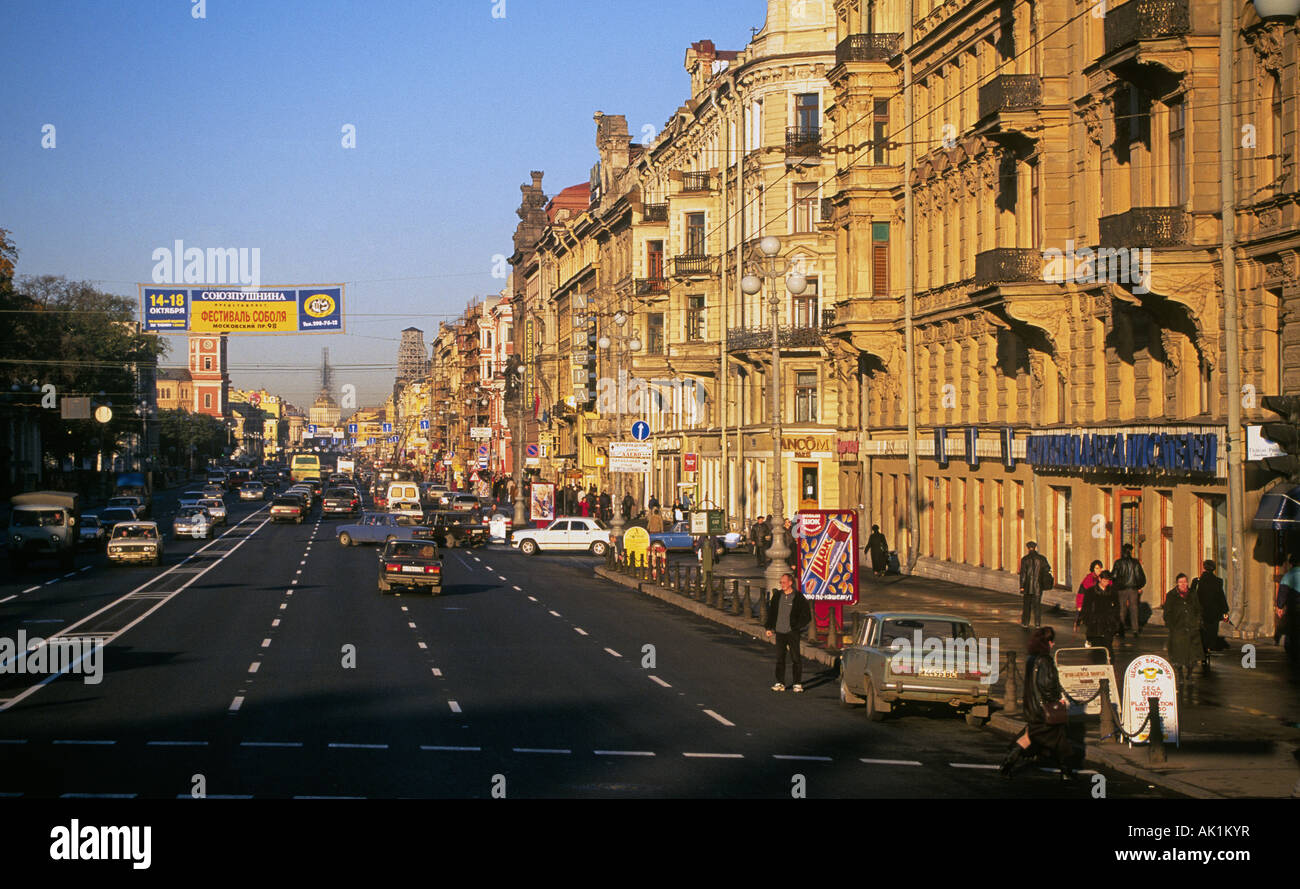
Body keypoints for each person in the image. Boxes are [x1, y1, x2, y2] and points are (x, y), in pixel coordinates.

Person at [1001, 626, 1075, 781]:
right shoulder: (1045, 660)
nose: (1053, 644)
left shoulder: (1031, 658)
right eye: (1051, 641)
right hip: (1045, 710)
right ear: (1047, 642)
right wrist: (1057, 700)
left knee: (1029, 737)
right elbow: (1046, 684)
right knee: (1060, 741)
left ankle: (1007, 764)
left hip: (1033, 708)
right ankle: (1066, 771)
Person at [763, 573, 811, 692]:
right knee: (780, 658)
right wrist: (769, 628)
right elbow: (772, 613)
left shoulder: (798, 597)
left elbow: (806, 616)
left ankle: (797, 683)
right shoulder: (777, 596)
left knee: (796, 658)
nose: (782, 584)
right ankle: (780, 682)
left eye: (784, 582)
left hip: (792, 632)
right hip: (780, 632)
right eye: (781, 582)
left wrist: (796, 627)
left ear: (790, 583)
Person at [1163, 573, 1203, 695]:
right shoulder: (1172, 595)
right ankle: (1180, 674)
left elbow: (1198, 609)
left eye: (1185, 582)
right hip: (1178, 628)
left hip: (1191, 628)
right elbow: (1167, 612)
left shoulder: (1192, 594)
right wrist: (1171, 625)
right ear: (1177, 583)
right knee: (1178, 654)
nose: (1183, 584)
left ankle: (1189, 675)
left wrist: (1197, 621)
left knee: (1192, 655)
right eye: (1181, 582)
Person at [1193, 560, 1229, 670]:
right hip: (1214, 612)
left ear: (1204, 568)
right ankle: (1208, 648)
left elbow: (1192, 595)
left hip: (1201, 612)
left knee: (1202, 632)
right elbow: (1221, 596)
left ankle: (1203, 651)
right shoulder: (1218, 581)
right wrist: (1225, 610)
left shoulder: (1198, 581)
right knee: (1212, 631)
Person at [1111, 543, 1148, 639]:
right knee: (1134, 608)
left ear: (1123, 552)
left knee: (1122, 609)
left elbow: (1113, 576)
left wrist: (1116, 585)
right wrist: (1138, 586)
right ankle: (1135, 629)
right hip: (1133, 588)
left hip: (1121, 588)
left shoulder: (1118, 563)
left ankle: (1121, 629)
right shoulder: (1135, 563)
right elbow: (1141, 576)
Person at [1079, 570, 1121, 653]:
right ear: (1099, 579)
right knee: (1097, 646)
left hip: (1108, 621)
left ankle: (1109, 662)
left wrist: (1115, 619)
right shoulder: (1091, 591)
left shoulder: (1112, 591)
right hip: (1095, 621)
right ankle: (1097, 661)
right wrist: (1084, 619)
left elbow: (1117, 606)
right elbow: (1086, 607)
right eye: (1104, 581)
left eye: (1108, 581)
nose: (1106, 583)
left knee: (1108, 645)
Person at [1017, 541, 1052, 628]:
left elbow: (1023, 574)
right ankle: (1037, 623)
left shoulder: (1025, 559)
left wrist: (1022, 586)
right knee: (1037, 605)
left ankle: (1025, 622)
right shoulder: (1042, 558)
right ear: (1035, 547)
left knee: (1026, 605)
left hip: (1027, 586)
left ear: (1028, 548)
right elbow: (1047, 569)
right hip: (1038, 586)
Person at [1277, 555, 1300, 678]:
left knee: (1293, 631)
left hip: (1293, 608)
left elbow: (1283, 592)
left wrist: (1279, 606)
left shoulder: (1288, 576)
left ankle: (1294, 654)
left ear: (1291, 564)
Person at [1074, 560, 1104, 625]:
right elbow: (1083, 591)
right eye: (1097, 568)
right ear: (1093, 569)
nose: (1099, 570)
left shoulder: (1102, 577)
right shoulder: (1089, 578)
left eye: (1100, 568)